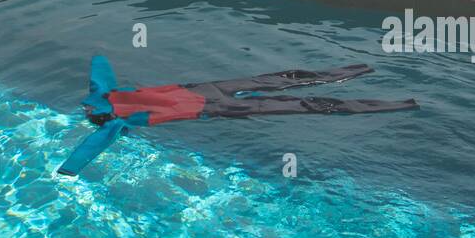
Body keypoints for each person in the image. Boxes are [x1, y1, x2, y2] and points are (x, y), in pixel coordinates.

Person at [57, 55, 418, 175]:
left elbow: (92, 145)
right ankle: (358, 68)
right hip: (204, 87)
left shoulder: (114, 124)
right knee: (281, 80)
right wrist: (98, 57)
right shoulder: (103, 94)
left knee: (293, 106)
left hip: (209, 108)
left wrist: (69, 170)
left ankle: (399, 104)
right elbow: (100, 70)